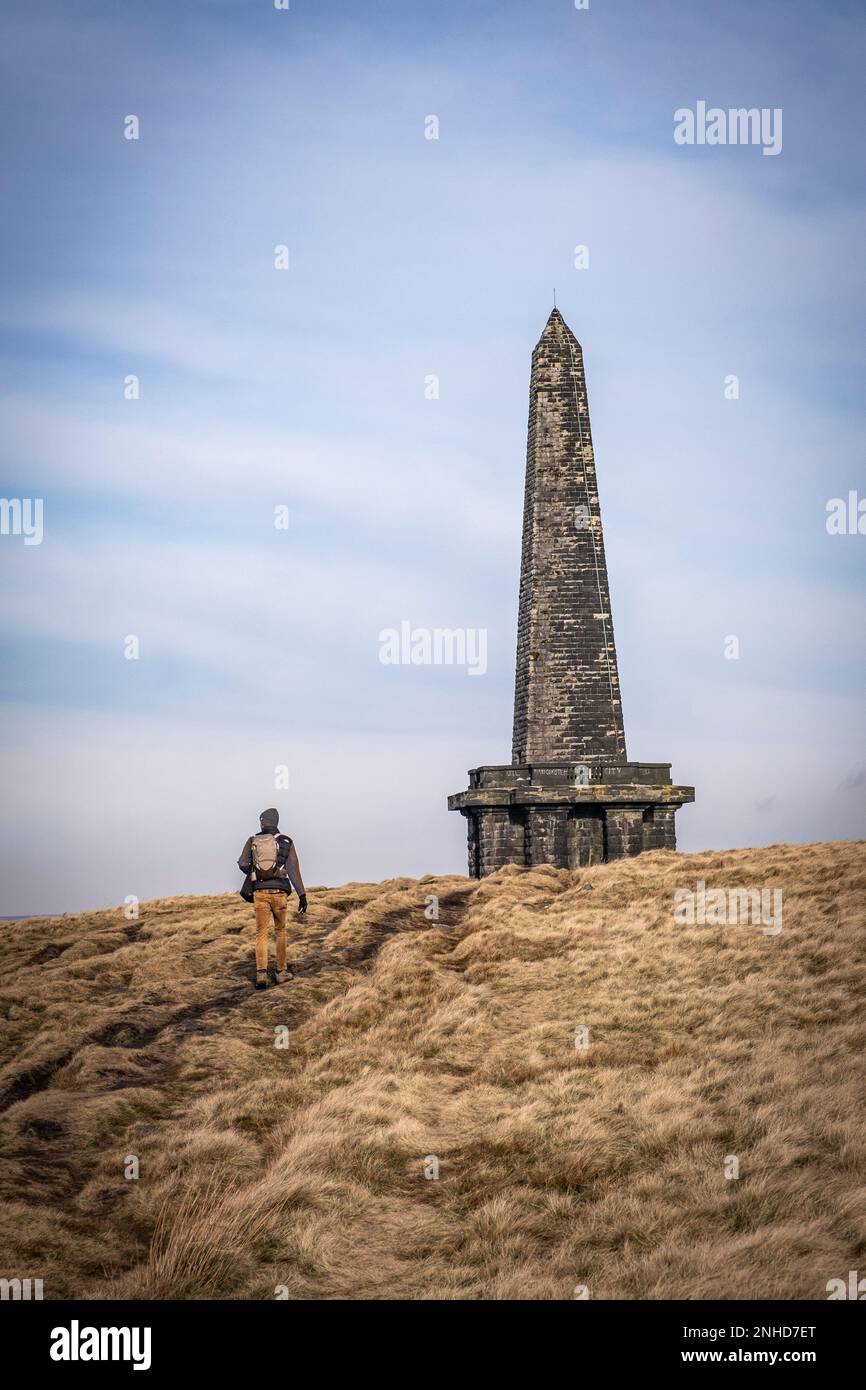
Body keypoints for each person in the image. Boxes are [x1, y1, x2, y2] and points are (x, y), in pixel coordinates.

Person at [237, 808, 307, 990]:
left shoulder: (252, 840)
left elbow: (243, 864)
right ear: (276, 822)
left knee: (261, 933)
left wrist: (256, 868)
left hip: (260, 892)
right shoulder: (286, 841)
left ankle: (261, 974)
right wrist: (302, 895)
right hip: (280, 893)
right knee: (280, 931)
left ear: (262, 822)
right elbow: (293, 870)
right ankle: (281, 973)